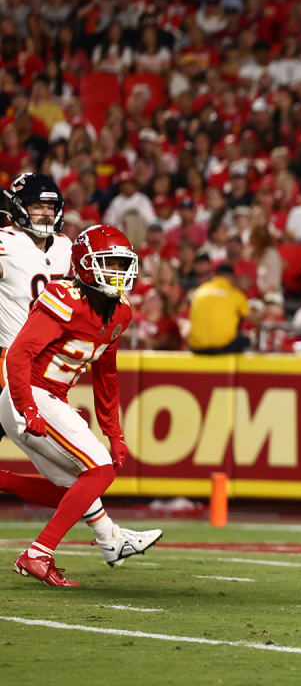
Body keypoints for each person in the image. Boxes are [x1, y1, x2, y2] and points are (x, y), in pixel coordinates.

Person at [0, 176, 161, 569]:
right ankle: (88, 543)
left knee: (76, 483)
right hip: (14, 362)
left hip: (46, 371)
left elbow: (106, 367)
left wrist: (115, 431)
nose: (45, 214)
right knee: (92, 472)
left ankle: (110, 539)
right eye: (37, 205)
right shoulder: (5, 242)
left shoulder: (69, 251)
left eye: (51, 207)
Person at [187, 262, 253, 354]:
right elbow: (253, 319)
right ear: (231, 277)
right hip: (222, 348)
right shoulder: (234, 293)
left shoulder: (200, 290)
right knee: (246, 340)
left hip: (197, 348)